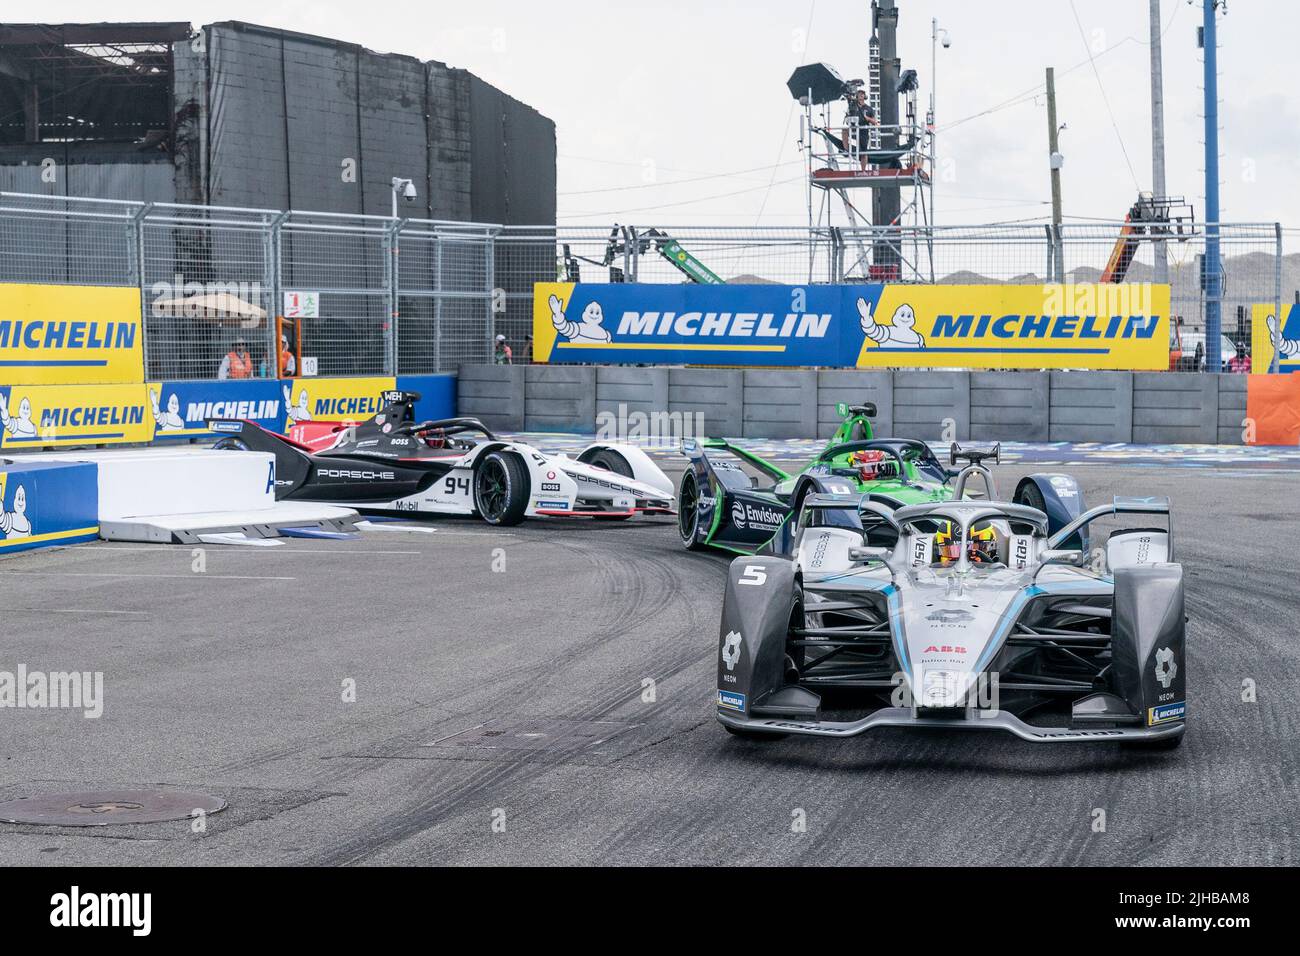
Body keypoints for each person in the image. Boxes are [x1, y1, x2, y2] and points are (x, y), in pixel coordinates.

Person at [845, 89, 879, 170]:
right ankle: (846, 149)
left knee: (863, 152)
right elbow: (847, 120)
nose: (860, 95)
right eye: (859, 94)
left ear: (864, 96)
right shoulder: (852, 106)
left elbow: (875, 122)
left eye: (862, 94)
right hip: (853, 130)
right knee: (844, 131)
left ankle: (863, 170)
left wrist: (867, 118)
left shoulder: (869, 108)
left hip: (864, 131)